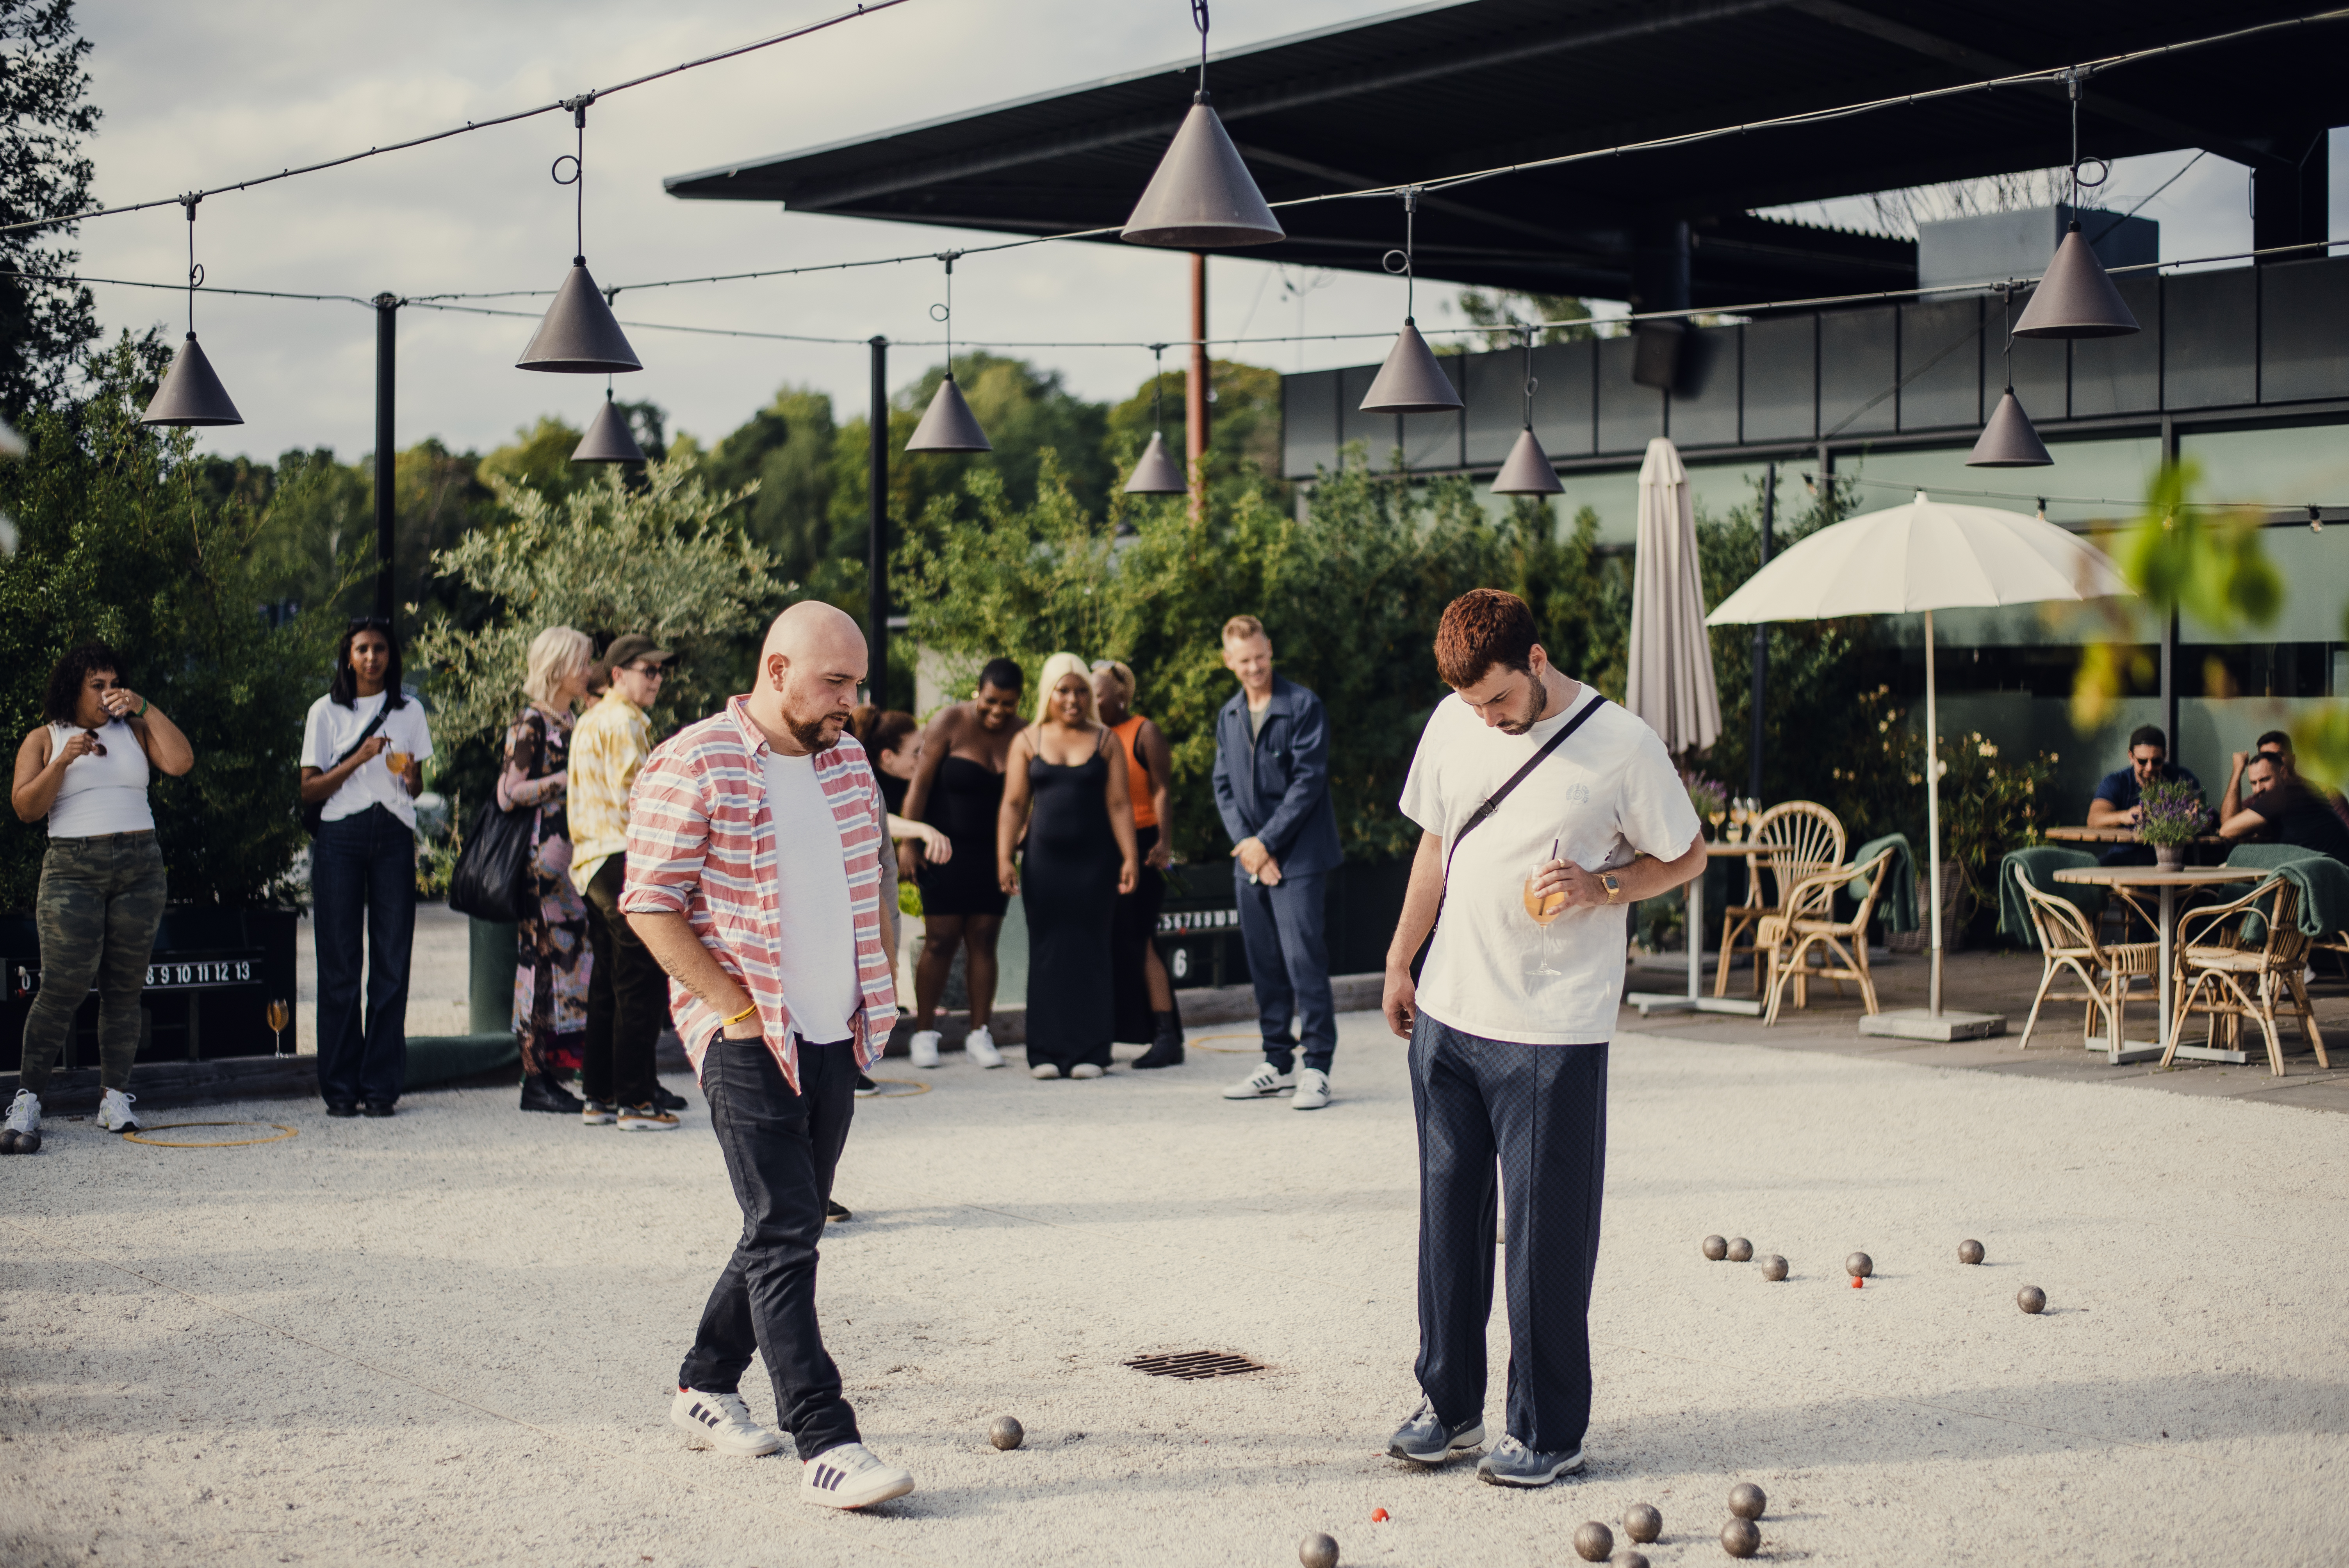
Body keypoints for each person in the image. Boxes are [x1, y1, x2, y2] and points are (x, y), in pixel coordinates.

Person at [1380, 588, 1705, 1488]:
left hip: (1551, 1027)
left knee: (1544, 1237)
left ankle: (1547, 1426)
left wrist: (1604, 888)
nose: (1484, 718)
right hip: (1449, 1010)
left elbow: (1686, 853)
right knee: (1447, 1224)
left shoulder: (1623, 743)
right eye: (1471, 704)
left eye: (1496, 700)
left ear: (1534, 659)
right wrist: (1403, 959)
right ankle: (1447, 1406)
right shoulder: (1453, 722)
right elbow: (1433, 849)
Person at [623, 600, 914, 1511]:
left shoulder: (849, 759)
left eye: (858, 685)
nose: (851, 702)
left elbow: (869, 875)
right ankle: (827, 1441)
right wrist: (731, 1008)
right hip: (748, 1032)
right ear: (776, 668)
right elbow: (648, 900)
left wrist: (884, 991)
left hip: (835, 1028)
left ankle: (704, 1383)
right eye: (836, 682)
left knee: (779, 1224)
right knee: (789, 1221)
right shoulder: (693, 757)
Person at [4, 643, 194, 1148]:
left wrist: (146, 707)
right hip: (74, 869)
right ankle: (27, 1100)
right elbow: (25, 807)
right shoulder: (44, 737)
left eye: (115, 683)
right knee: (63, 985)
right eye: (98, 685)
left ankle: (115, 1096)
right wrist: (64, 760)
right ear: (74, 688)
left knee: (125, 988)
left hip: (139, 865)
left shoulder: (133, 729)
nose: (110, 694)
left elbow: (181, 762)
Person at [300, 618, 433, 1118]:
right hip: (340, 835)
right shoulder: (325, 712)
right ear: (348, 655)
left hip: (394, 834)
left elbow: (415, 788)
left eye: (380, 649)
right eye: (362, 649)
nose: (372, 657)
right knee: (339, 966)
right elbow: (309, 789)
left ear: (391, 656)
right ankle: (339, 1088)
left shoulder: (410, 710)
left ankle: (380, 1087)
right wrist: (358, 758)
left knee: (392, 964)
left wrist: (414, 773)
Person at [1210, 614, 1343, 1110]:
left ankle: (1317, 1067)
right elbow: (1222, 786)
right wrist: (1250, 845)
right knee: (1264, 963)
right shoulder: (1228, 716)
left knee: (1304, 960)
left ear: (1271, 650)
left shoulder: (1303, 705)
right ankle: (1276, 1061)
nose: (1254, 667)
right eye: (1244, 661)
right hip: (1252, 856)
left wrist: (1265, 844)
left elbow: (1308, 783)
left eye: (1261, 657)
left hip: (1301, 857)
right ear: (1229, 661)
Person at [998, 653, 1139, 1080]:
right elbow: (1014, 803)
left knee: (1092, 950)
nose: (1073, 698)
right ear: (1049, 693)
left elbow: (1118, 804)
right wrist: (1004, 855)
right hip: (1044, 863)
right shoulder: (1028, 739)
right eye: (1064, 690)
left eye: (1081, 690)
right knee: (1046, 952)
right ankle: (1045, 1051)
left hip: (1096, 862)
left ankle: (1091, 1051)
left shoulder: (1105, 740)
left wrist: (1131, 855)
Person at [569, 634, 680, 1131]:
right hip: (623, 856)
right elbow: (643, 796)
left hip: (591, 860)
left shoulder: (590, 718)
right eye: (647, 670)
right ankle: (634, 1101)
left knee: (608, 982)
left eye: (661, 671)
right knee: (641, 979)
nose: (656, 679)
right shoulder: (627, 720)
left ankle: (601, 1094)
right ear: (617, 673)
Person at [898, 659, 1023, 1070]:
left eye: (1008, 703)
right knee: (940, 939)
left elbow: (1029, 795)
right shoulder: (949, 721)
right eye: (991, 701)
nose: (998, 711)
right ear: (977, 691)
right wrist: (909, 841)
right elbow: (921, 783)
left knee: (984, 938)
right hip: (943, 849)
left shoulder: (1024, 733)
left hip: (993, 853)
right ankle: (924, 1032)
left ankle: (980, 1033)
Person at [501, 627, 595, 1113]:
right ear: (558, 666)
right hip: (541, 865)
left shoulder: (571, 720)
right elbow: (509, 791)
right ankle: (534, 1078)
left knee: (568, 965)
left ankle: (554, 1070)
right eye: (582, 662)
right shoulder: (532, 722)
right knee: (539, 966)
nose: (589, 671)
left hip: (571, 862)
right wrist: (567, 777)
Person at [1091, 658, 1184, 1068]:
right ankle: (1105, 1034)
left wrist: (1164, 841)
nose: (1090, 698)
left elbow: (1162, 788)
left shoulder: (1144, 731)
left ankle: (1167, 1036)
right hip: (1100, 847)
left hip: (1145, 843)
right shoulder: (1088, 735)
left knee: (1142, 938)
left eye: (1096, 691)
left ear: (1120, 693)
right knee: (1108, 940)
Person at [2087, 724, 2202, 866]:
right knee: (2097, 867)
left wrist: (2194, 813)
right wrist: (2126, 816)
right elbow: (2094, 819)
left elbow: (2202, 811)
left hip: (2171, 858)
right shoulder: (2117, 782)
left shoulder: (2181, 778)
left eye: (2156, 761)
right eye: (2142, 761)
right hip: (2126, 855)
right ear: (2131, 757)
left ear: (2164, 756)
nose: (2149, 768)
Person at [2218, 747, 2349, 864]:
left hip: (2333, 878)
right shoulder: (2302, 790)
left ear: (2283, 773)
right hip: (2333, 873)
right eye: (2253, 783)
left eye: (2265, 780)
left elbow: (2226, 831)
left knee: (2240, 858)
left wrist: (2237, 772)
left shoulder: (2283, 795)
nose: (2258, 789)